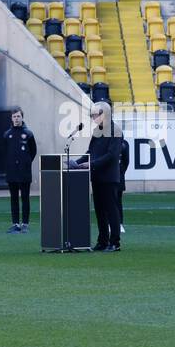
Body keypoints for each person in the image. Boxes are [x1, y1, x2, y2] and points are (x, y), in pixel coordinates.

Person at [72, 100, 122, 251]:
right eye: (92, 114)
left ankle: (115, 242)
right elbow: (90, 153)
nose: (93, 117)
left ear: (104, 114)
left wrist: (90, 164)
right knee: (100, 210)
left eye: (95, 114)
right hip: (97, 177)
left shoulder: (115, 130)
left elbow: (111, 156)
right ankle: (102, 241)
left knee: (111, 210)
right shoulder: (96, 131)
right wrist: (76, 162)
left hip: (109, 178)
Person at [3, 107, 37, 233]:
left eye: (18, 116)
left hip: (24, 171)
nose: (16, 119)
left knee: (25, 198)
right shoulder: (7, 135)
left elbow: (33, 151)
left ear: (22, 117)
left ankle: (25, 224)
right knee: (14, 198)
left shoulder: (28, 134)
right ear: (11, 119)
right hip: (12, 171)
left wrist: (26, 162)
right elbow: (5, 152)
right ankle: (15, 224)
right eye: (14, 117)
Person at [117, 134, 130, 234]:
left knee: (118, 201)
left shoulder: (125, 144)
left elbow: (126, 162)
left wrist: (121, 172)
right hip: (107, 177)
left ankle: (120, 224)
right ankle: (109, 224)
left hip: (119, 177)